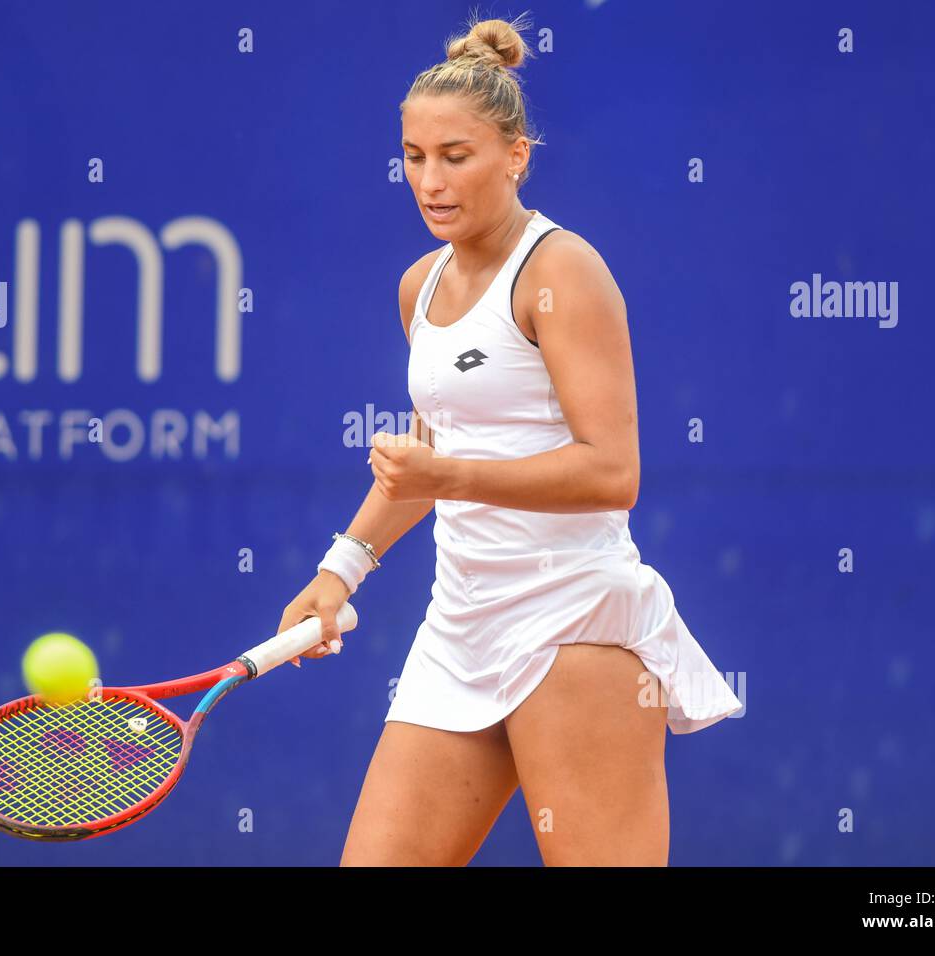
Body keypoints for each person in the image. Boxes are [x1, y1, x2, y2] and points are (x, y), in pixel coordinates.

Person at [276, 14, 742, 866]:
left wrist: (447, 471)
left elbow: (612, 472)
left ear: (517, 155)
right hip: (458, 630)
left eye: (457, 156)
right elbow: (422, 467)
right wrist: (336, 571)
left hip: (576, 626)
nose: (430, 180)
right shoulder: (420, 285)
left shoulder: (562, 271)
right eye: (414, 157)